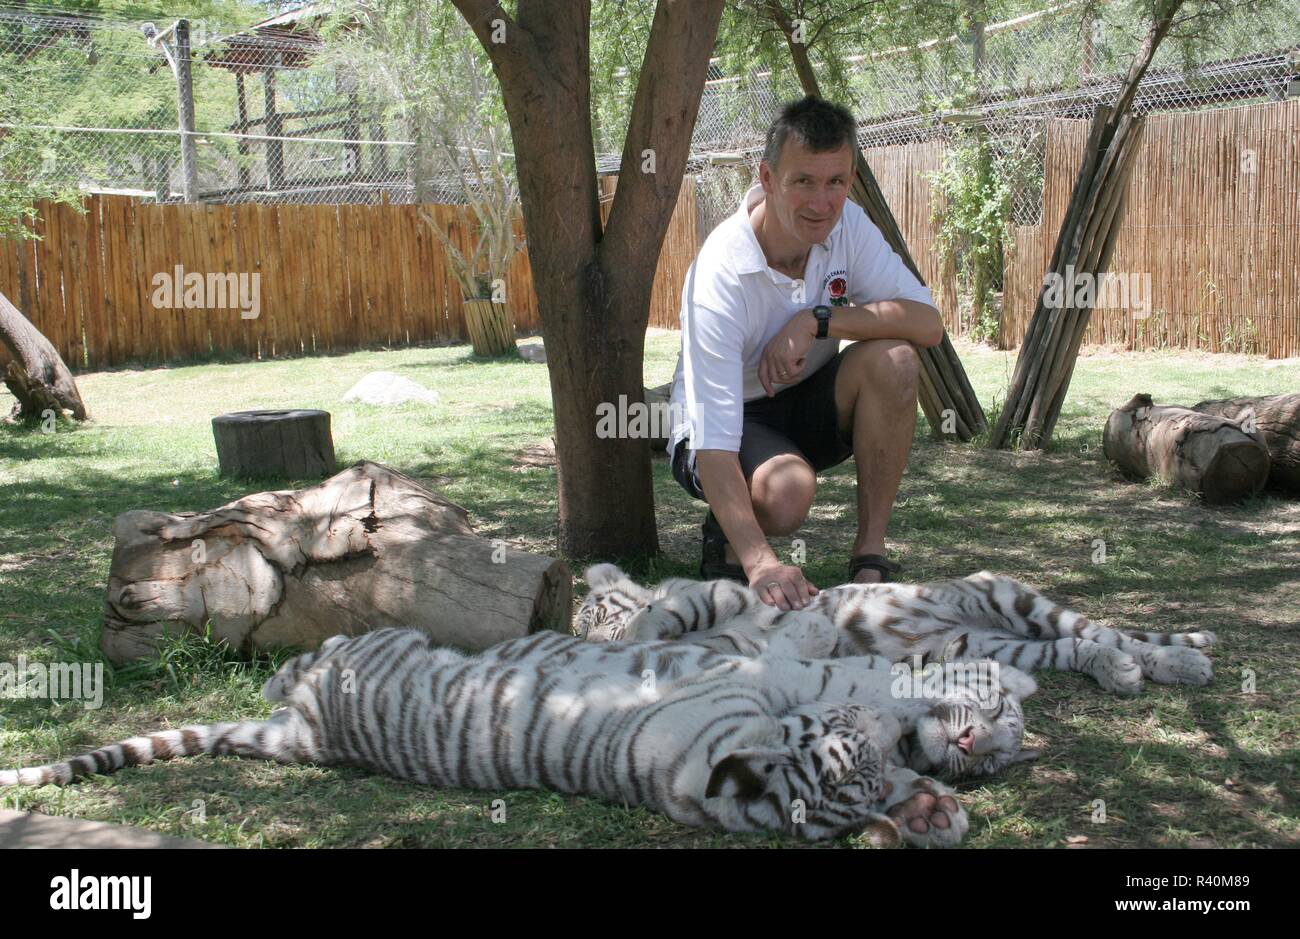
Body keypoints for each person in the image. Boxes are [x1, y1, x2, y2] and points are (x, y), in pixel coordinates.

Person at [665, 95, 944, 611]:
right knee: (789, 493)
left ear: (851, 177)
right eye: (803, 182)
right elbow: (712, 438)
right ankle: (729, 536)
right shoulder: (719, 272)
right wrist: (762, 564)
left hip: (804, 403)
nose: (821, 202)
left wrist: (817, 320)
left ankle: (870, 553)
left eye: (835, 182)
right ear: (768, 179)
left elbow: (927, 323)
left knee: (896, 358)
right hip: (723, 426)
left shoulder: (849, 226)